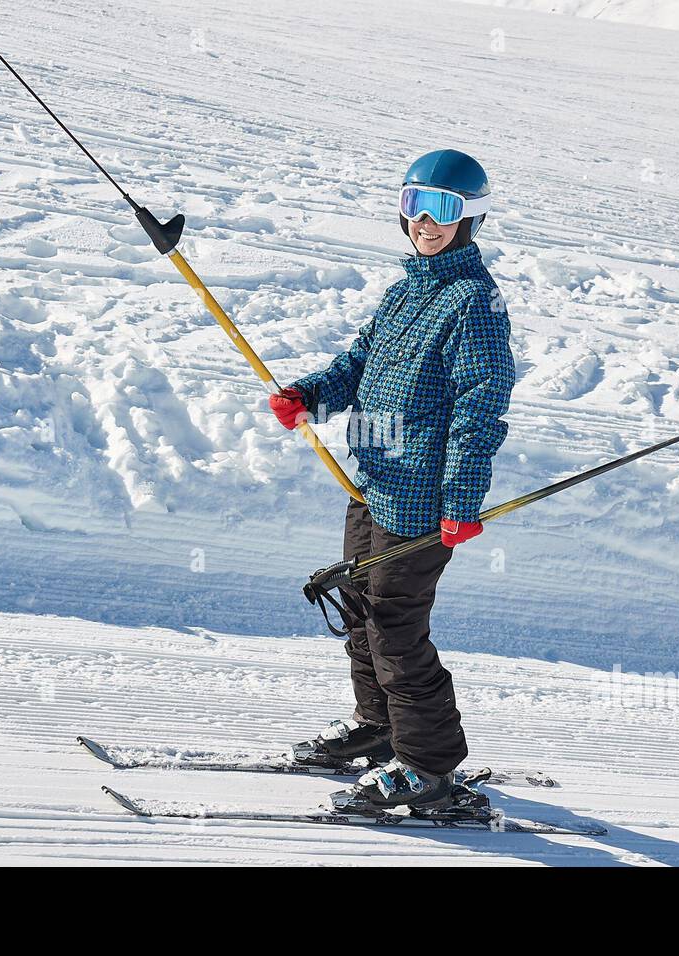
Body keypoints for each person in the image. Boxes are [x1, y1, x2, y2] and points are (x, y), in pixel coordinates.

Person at [267, 149, 515, 811]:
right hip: (373, 484)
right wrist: (311, 393)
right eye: (415, 205)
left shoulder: (474, 305)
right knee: (360, 612)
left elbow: (479, 410)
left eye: (443, 210)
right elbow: (360, 361)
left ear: (471, 220)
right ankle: (380, 730)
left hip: (422, 503)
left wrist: (461, 501)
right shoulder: (408, 289)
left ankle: (429, 768)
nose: (426, 223)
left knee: (395, 628)